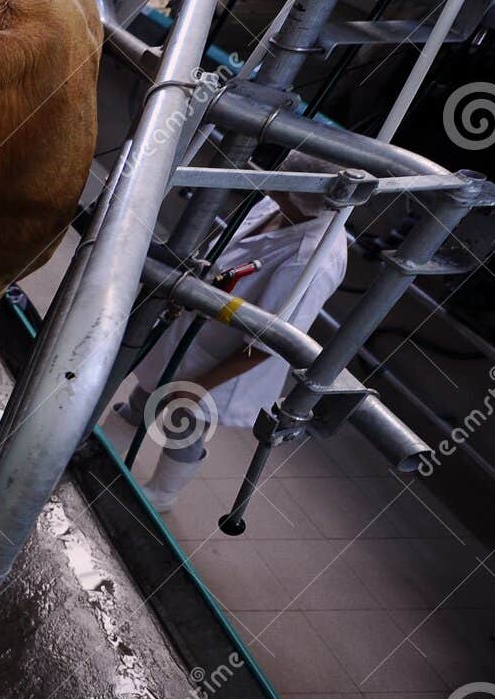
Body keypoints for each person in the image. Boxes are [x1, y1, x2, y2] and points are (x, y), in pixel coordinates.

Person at [115, 151, 350, 512]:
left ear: (311, 195)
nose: (275, 186)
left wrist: (203, 386)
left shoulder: (313, 259)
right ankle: (127, 423)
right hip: (199, 321)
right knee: (152, 378)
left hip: (231, 357)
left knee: (186, 419)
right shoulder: (281, 205)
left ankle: (162, 493)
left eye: (286, 185)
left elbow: (269, 343)